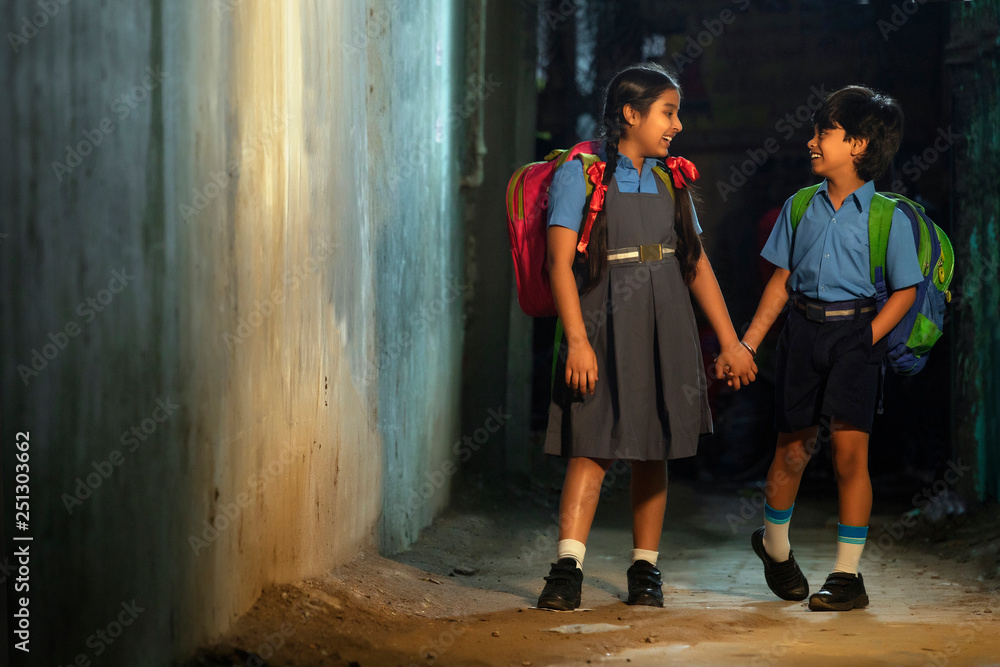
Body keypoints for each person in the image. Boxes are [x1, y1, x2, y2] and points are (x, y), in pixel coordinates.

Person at [536, 62, 755, 611]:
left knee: (654, 447)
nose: (676, 125)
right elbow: (560, 264)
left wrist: (730, 341)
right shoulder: (581, 174)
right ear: (630, 115)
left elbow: (696, 264)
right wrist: (578, 341)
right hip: (602, 321)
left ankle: (645, 570)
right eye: (667, 112)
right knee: (591, 444)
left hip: (667, 320)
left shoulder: (670, 177)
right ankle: (567, 568)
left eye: (676, 113)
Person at [740, 85, 923, 611]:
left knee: (849, 455)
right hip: (801, 332)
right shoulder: (800, 207)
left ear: (859, 144)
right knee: (792, 451)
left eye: (825, 132)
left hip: (857, 335)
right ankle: (775, 550)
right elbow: (780, 281)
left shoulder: (886, 215)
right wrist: (749, 343)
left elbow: (906, 289)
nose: (812, 141)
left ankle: (847, 576)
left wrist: (864, 340)